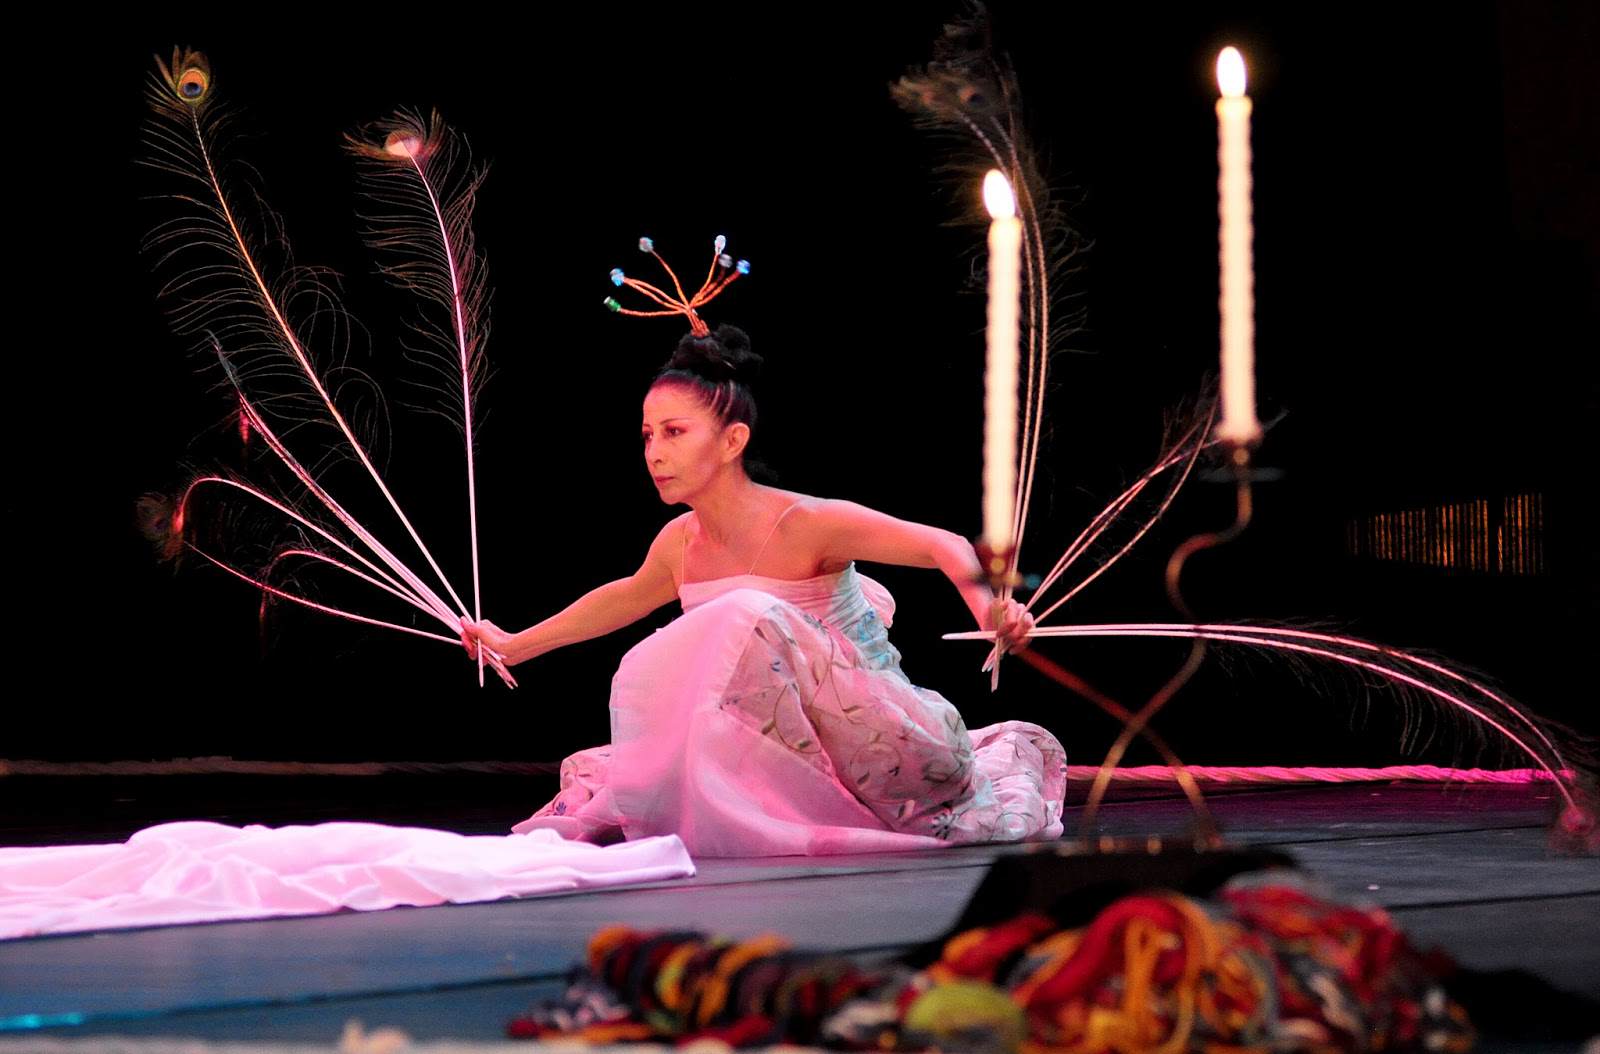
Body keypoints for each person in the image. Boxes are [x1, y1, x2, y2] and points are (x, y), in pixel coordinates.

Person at [461, 323, 1066, 856]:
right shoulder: (679, 543)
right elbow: (627, 596)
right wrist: (516, 645)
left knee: (743, 614)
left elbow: (944, 545)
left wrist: (992, 611)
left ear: (732, 441)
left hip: (886, 748)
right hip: (770, 764)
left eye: (674, 432)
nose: (655, 453)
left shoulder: (805, 523)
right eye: (647, 436)